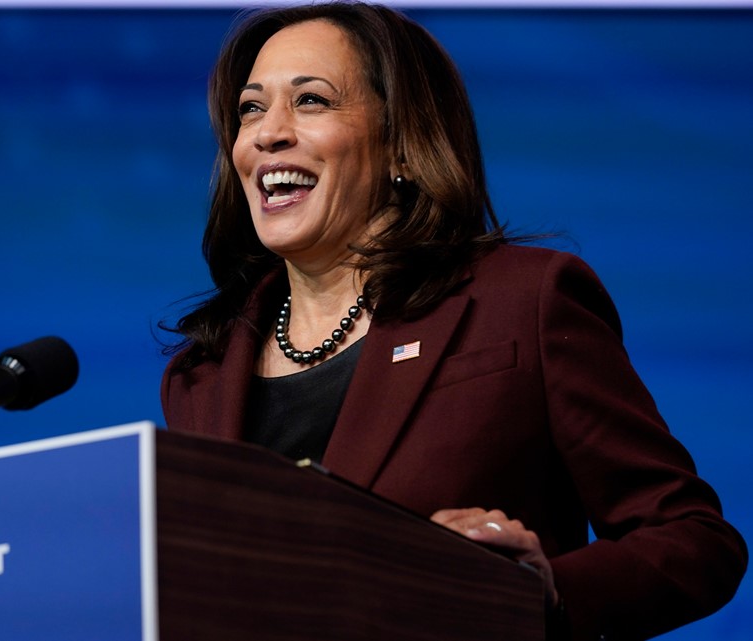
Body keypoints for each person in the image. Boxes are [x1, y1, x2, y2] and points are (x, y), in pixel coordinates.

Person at [159, 3, 746, 639]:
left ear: (402, 147)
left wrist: (539, 590)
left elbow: (694, 540)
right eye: (251, 108)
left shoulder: (523, 301)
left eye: (311, 102)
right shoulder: (203, 373)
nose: (267, 133)